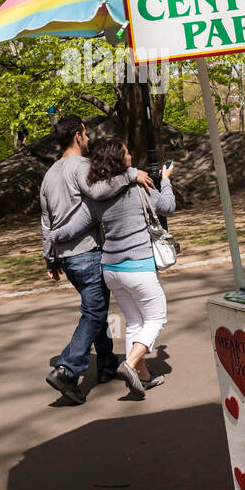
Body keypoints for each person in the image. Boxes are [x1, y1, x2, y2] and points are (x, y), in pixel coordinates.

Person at [48, 139, 175, 399]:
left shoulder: (95, 197)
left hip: (110, 270)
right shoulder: (140, 186)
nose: (130, 155)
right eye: (127, 152)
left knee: (134, 323)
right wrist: (166, 180)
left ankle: (143, 378)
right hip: (137, 265)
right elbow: (168, 207)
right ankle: (129, 365)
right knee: (156, 317)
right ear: (119, 159)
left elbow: (73, 226)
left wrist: (53, 236)